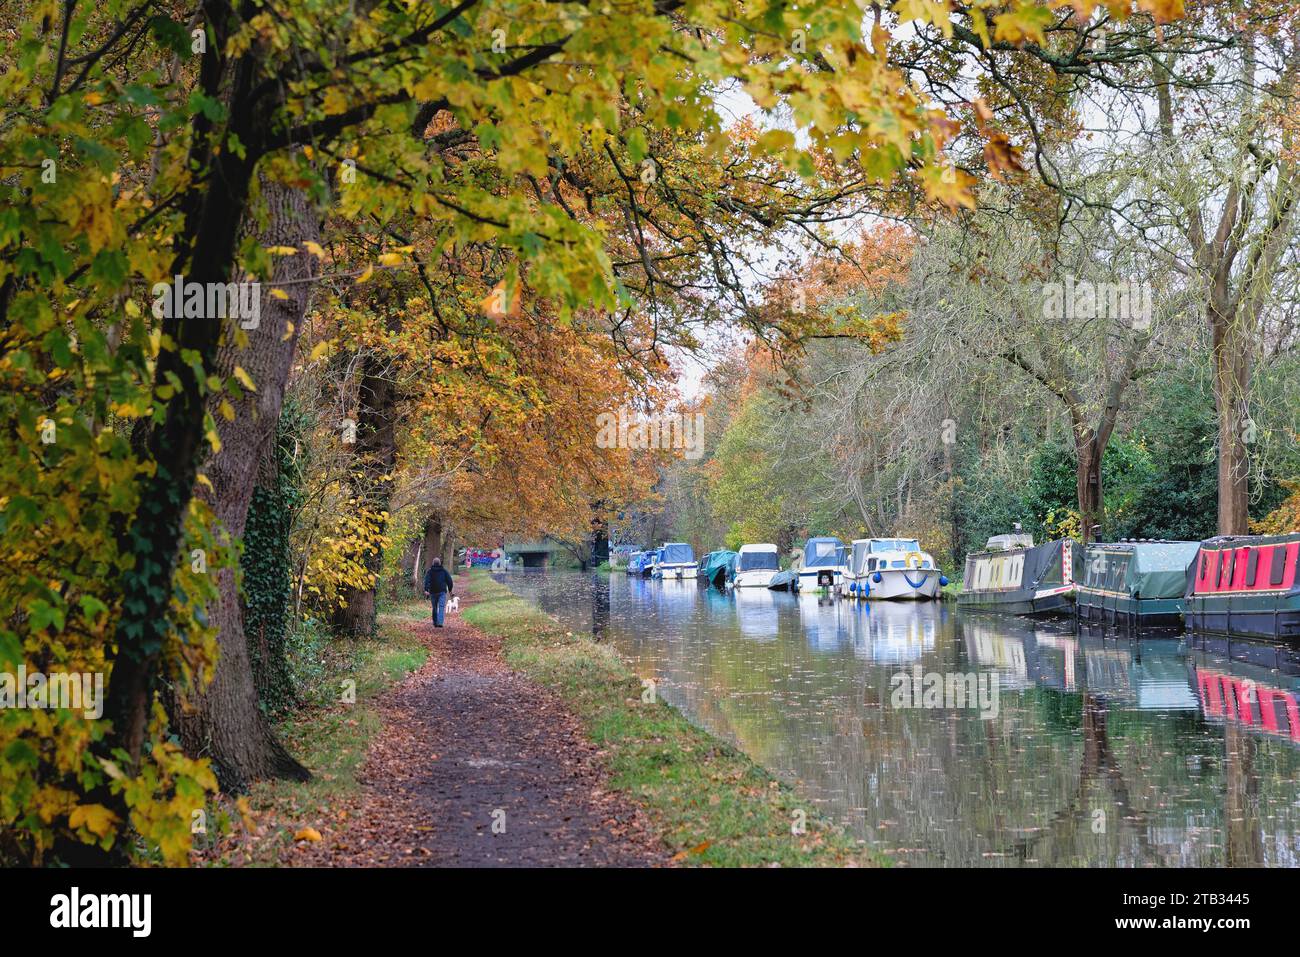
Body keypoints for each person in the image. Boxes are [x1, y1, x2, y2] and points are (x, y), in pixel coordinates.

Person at [422, 557, 455, 627]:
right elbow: (449, 581)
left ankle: (435, 622)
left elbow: (427, 581)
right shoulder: (444, 571)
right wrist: (450, 590)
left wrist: (426, 590)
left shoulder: (430, 571)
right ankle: (440, 622)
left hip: (433, 592)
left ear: (433, 563)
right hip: (442, 591)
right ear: (440, 563)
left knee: (434, 607)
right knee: (441, 607)